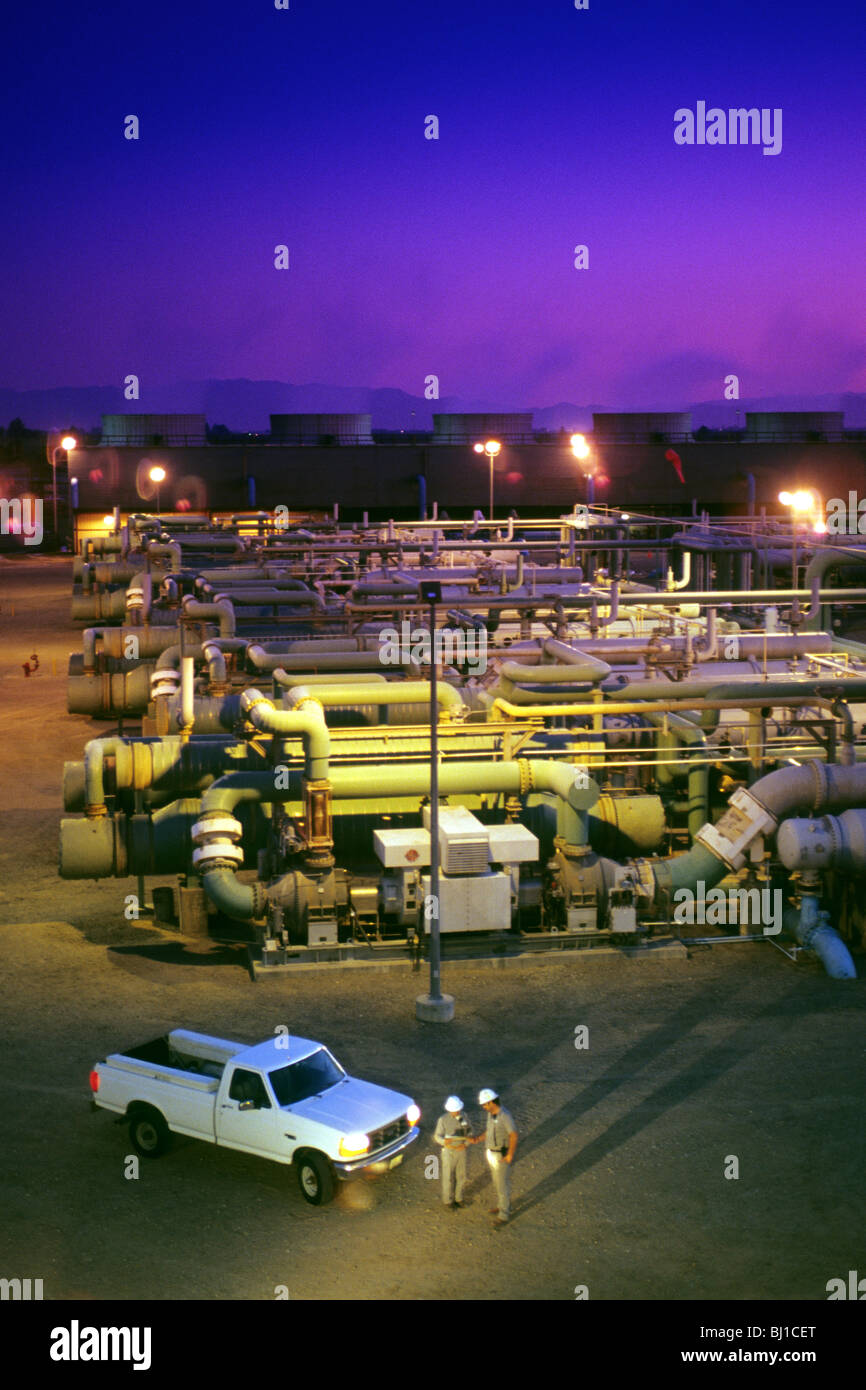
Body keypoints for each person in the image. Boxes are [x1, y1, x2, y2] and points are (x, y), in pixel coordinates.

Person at [471, 1088, 517, 1225]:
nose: (484, 1107)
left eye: (485, 1104)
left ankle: (504, 1215)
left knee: (502, 1184)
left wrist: (510, 1155)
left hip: (500, 1154)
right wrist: (479, 1138)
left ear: (492, 1102)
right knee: (497, 1181)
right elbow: (490, 1131)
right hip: (491, 1152)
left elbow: (513, 1135)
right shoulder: (491, 1114)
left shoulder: (505, 1116)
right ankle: (502, 1205)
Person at [433, 1096, 473, 1209]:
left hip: (461, 1151)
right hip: (448, 1152)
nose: (456, 1112)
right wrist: (444, 1142)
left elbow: (469, 1133)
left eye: (457, 1110)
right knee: (448, 1177)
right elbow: (437, 1136)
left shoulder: (463, 1117)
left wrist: (465, 1145)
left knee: (461, 1176)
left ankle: (458, 1198)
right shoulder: (443, 1120)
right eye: (454, 1110)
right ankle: (448, 1201)